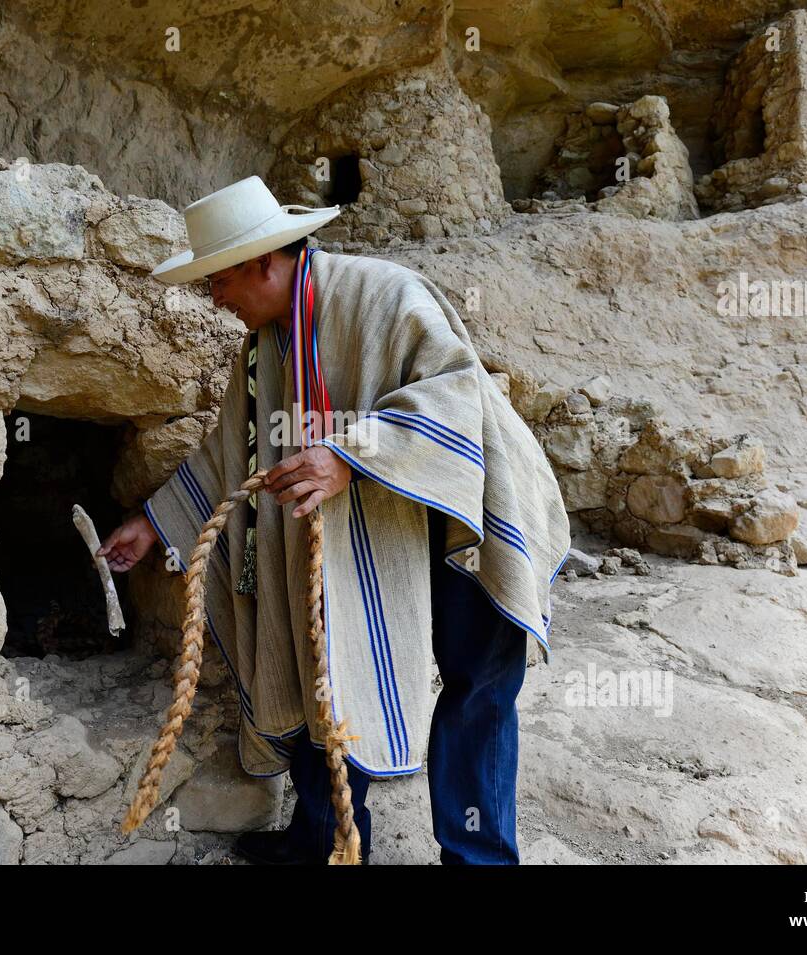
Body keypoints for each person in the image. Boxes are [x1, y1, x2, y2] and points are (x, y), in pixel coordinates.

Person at [99, 175, 570, 864]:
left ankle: (479, 857)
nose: (215, 299)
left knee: (477, 685)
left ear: (267, 261)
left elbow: (455, 391)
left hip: (467, 511)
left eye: (221, 280)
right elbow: (232, 449)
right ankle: (327, 841)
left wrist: (349, 458)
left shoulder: (383, 295)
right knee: (331, 656)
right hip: (377, 536)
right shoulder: (262, 350)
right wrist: (151, 522)